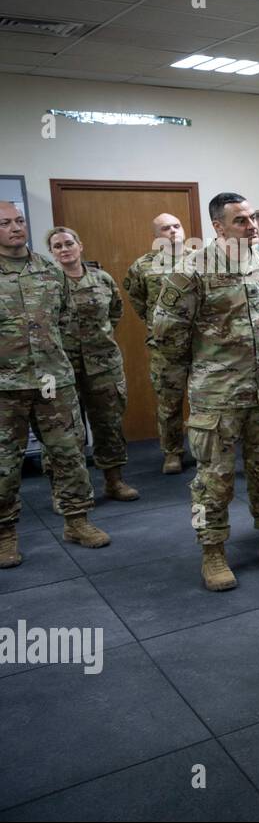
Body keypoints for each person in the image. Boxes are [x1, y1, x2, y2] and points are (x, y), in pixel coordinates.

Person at [152, 192, 259, 591]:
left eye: (252, 219)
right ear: (218, 227)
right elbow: (168, 334)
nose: (252, 227)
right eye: (241, 221)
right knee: (214, 479)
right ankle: (213, 551)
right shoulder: (192, 271)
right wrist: (193, 378)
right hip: (216, 395)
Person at [0, 201, 110, 566]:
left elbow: (62, 315)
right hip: (6, 386)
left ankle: (77, 520)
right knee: (5, 463)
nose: (15, 228)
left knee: (69, 453)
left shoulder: (48, 270)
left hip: (52, 380)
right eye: (5, 223)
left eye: (19, 221)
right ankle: (5, 533)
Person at [45, 227, 138, 503]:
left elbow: (115, 313)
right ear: (52, 252)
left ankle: (114, 481)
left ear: (80, 245)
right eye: (57, 246)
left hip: (103, 364)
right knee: (62, 430)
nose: (64, 249)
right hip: (61, 366)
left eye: (68, 243)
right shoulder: (48, 283)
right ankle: (63, 490)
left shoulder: (102, 279)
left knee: (108, 424)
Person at [124, 213, 191, 474]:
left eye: (176, 226)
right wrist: (157, 323)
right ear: (156, 236)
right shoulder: (143, 265)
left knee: (206, 402)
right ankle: (172, 452)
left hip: (202, 345)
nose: (173, 231)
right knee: (169, 403)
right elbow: (136, 297)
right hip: (165, 348)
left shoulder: (204, 260)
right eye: (165, 228)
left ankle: (209, 448)